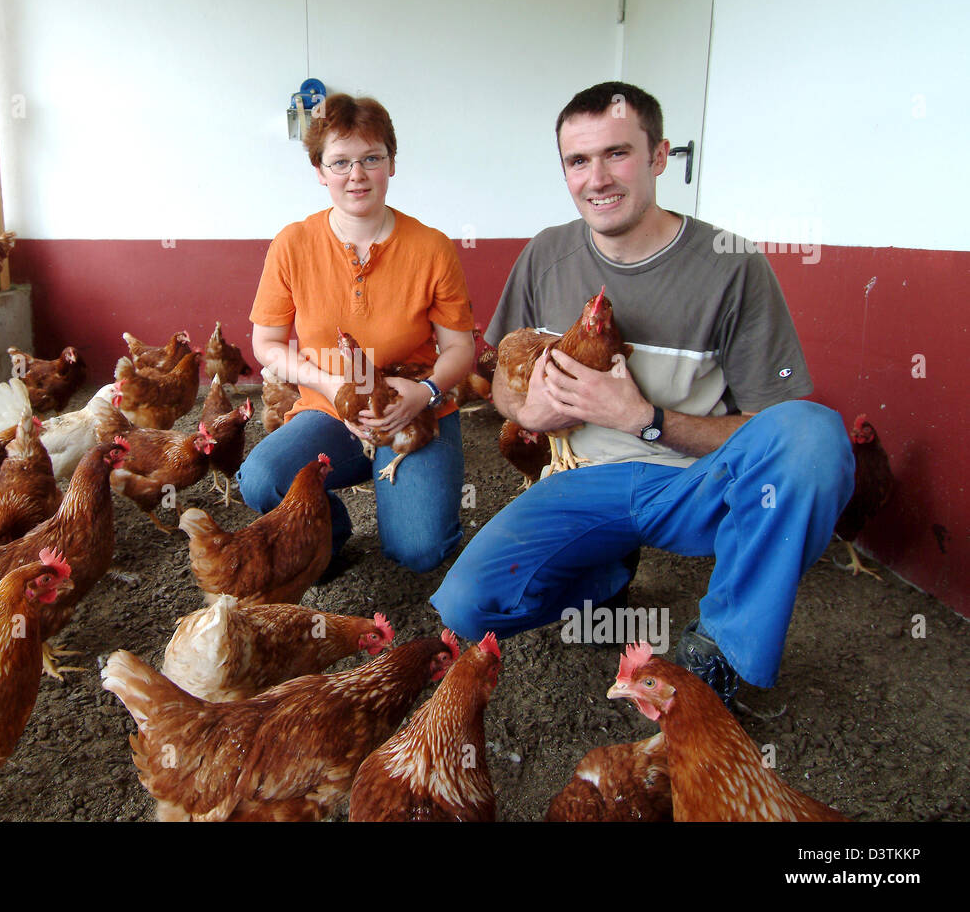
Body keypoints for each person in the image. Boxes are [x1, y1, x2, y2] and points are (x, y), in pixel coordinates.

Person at [430, 81, 854, 704]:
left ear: (659, 156)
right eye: (578, 161)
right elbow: (496, 378)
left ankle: (721, 649)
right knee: (469, 606)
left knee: (814, 438)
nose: (596, 178)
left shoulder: (732, 265)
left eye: (617, 154)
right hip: (581, 479)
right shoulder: (547, 253)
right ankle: (603, 576)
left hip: (694, 481)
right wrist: (527, 408)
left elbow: (772, 426)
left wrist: (646, 419)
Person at [238, 93, 476, 574]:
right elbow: (265, 343)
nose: (357, 175)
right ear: (319, 171)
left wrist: (426, 391)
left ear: (391, 163)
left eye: (372, 158)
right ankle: (330, 531)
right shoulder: (293, 244)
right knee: (262, 478)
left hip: (412, 407)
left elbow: (460, 348)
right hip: (330, 407)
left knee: (418, 550)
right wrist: (329, 386)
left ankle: (411, 490)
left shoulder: (432, 248)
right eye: (340, 162)